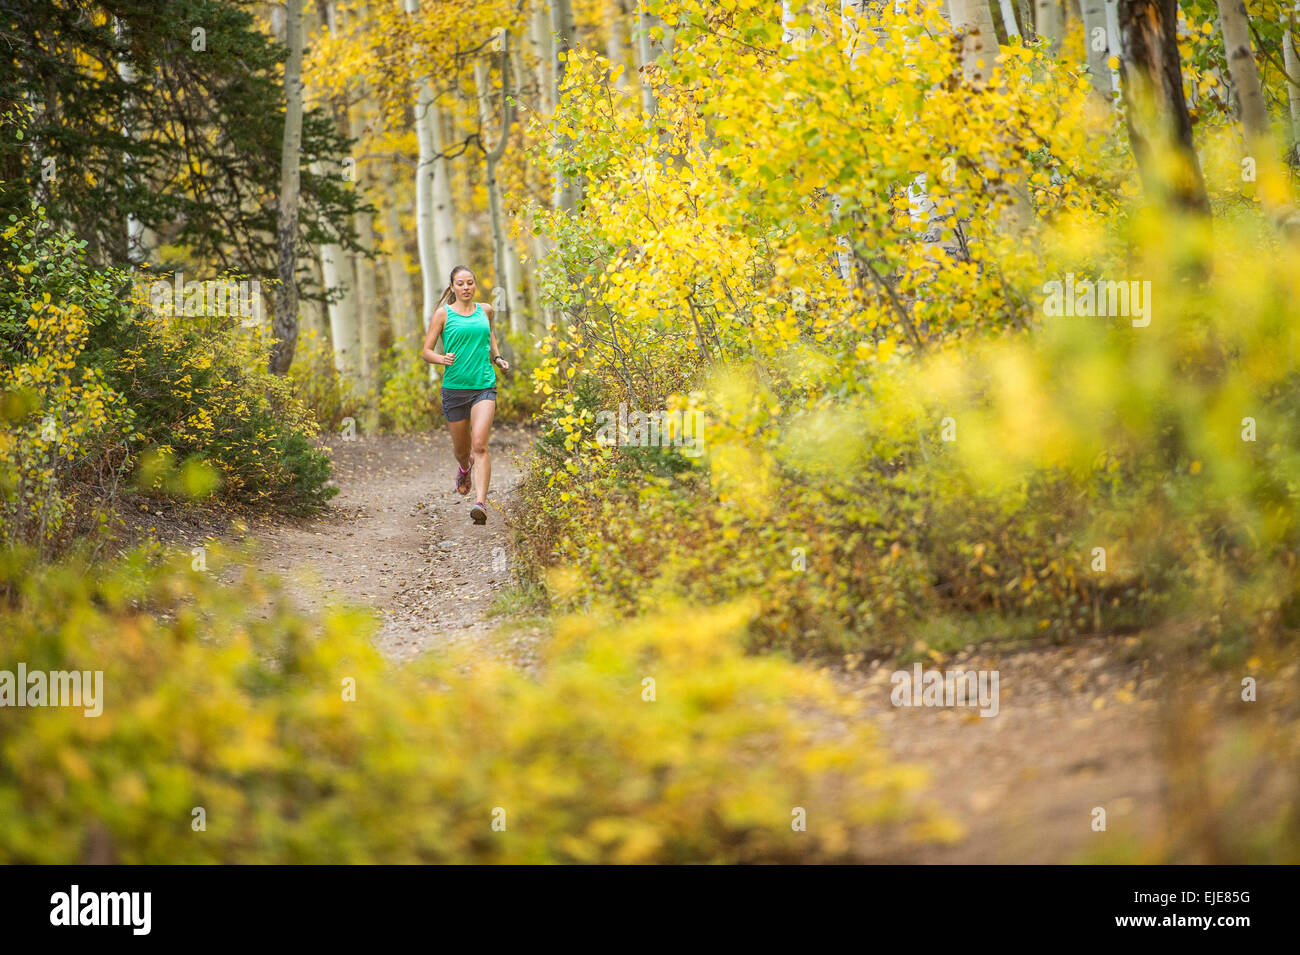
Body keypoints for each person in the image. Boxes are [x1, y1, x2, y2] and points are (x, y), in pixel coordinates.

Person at [421, 265, 510, 524]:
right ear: (452, 287)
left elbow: (490, 335)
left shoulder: (486, 310)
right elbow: (426, 351)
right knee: (462, 450)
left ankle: (480, 504)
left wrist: (498, 357)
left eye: (470, 282)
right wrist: (441, 358)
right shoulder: (443, 314)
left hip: (484, 385)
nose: (466, 287)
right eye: (460, 283)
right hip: (455, 389)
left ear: (475, 285)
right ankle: (464, 468)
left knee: (480, 445)